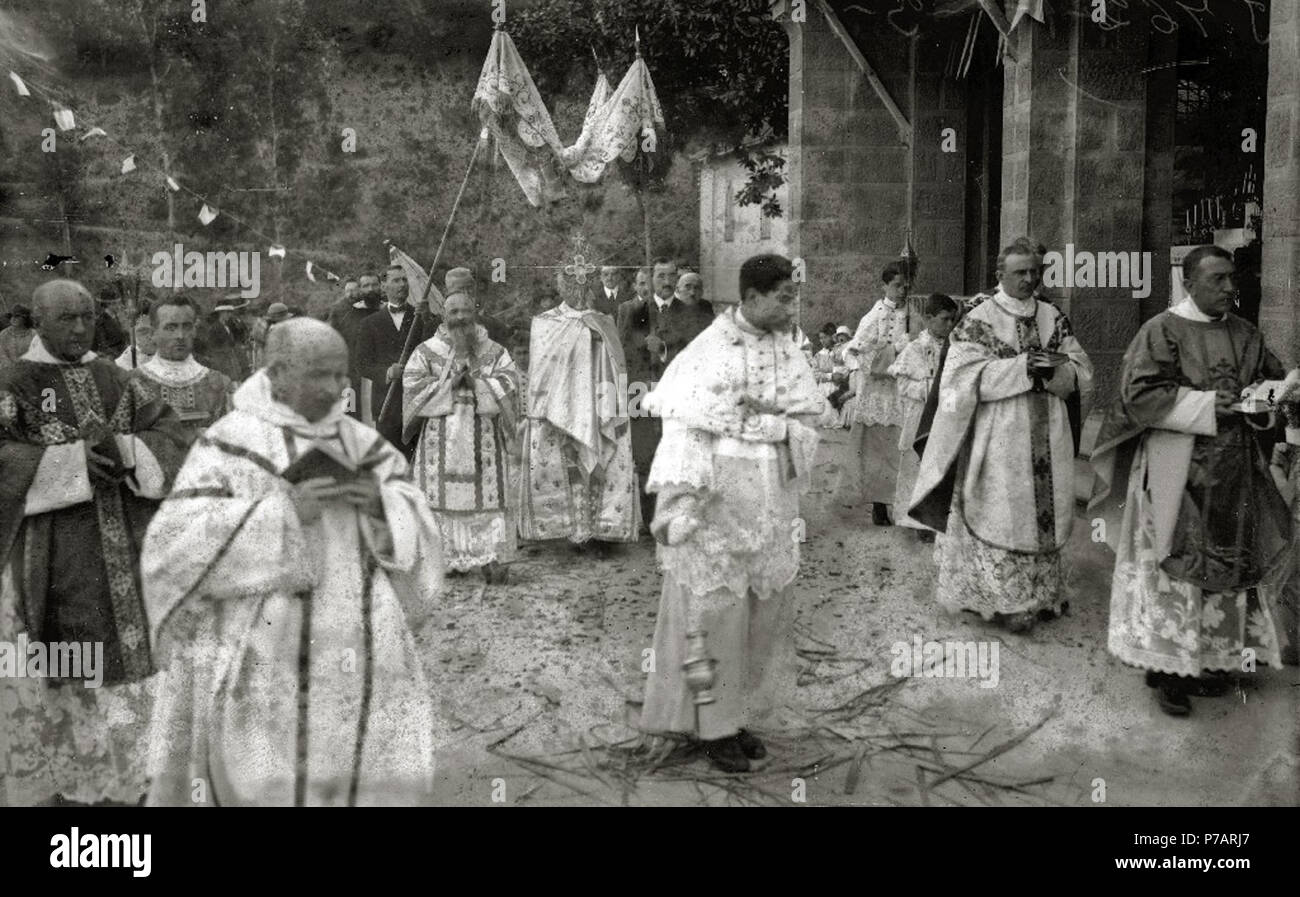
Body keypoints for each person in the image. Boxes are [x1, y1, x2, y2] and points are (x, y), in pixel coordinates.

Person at [142, 318, 441, 805]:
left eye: (342, 375)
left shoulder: (362, 442)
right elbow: (171, 547)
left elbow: (420, 535)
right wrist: (281, 516)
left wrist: (380, 505)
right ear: (277, 373)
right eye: (322, 375)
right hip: (262, 651)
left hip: (362, 648)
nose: (338, 388)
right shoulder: (230, 442)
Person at [0, 279, 189, 805]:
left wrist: (130, 450)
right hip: (46, 554)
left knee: (125, 670)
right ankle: (65, 788)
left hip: (123, 552)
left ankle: (122, 785)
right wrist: (65, 463)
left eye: (87, 316)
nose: (82, 327)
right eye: (67, 319)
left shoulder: (117, 378)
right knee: (59, 669)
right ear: (38, 322)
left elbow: (171, 437)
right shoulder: (11, 383)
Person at [1088, 245, 1294, 715]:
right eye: (1218, 280)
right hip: (1174, 466)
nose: (1229, 288)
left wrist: (1270, 402)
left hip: (1233, 469)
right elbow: (1138, 396)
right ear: (1188, 282)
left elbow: (1269, 385)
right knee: (1172, 564)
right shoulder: (1161, 331)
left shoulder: (1246, 333)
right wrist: (1208, 406)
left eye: (1231, 278)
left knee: (1230, 559)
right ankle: (1166, 669)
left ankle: (1215, 658)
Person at [639, 254, 824, 773]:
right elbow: (684, 426)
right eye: (784, 296)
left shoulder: (790, 353)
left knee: (759, 618)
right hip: (716, 501)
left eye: (794, 296)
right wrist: (679, 503)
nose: (792, 305)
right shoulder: (708, 349)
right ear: (752, 296)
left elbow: (810, 422)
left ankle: (736, 718)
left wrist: (774, 428)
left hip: (770, 501)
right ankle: (708, 726)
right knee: (713, 617)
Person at [910, 238, 1092, 633]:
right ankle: (1004, 601)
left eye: (1035, 272)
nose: (1029, 279)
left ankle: (1041, 595)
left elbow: (1082, 369)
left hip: (1049, 429)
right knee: (1002, 512)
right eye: (1020, 272)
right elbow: (958, 380)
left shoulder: (1053, 317)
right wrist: (1023, 369)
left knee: (1045, 511)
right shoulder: (979, 318)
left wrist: (1060, 372)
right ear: (1000, 275)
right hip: (998, 434)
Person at [403, 287, 522, 583]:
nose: (460, 317)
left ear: (475, 313)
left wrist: (481, 384)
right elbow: (413, 384)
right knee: (439, 501)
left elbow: (510, 380)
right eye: (453, 312)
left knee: (486, 500)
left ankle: (491, 559)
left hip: (484, 438)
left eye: (465, 311)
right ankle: (446, 560)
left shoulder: (494, 351)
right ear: (444, 315)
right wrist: (448, 386)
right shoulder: (427, 351)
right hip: (439, 438)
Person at [518, 261, 640, 549]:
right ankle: (563, 532)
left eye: (582, 283)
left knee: (596, 461)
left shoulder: (603, 320)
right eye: (571, 282)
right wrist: (583, 336)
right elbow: (542, 365)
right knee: (564, 464)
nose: (577, 289)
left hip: (596, 405)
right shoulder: (545, 322)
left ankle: (598, 531)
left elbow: (615, 363)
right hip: (557, 405)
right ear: (562, 284)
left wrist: (595, 337)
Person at [616, 257, 714, 531]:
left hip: (680, 397)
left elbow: (698, 355)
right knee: (645, 456)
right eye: (660, 276)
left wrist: (662, 351)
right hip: (643, 394)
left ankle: (677, 515)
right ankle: (649, 521)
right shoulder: (634, 311)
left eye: (671, 276)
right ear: (651, 279)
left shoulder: (693, 314)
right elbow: (622, 353)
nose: (667, 282)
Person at [844, 262, 913, 525]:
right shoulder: (874, 316)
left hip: (904, 390)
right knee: (878, 449)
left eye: (905, 285)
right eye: (896, 285)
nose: (902, 290)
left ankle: (902, 503)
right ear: (884, 286)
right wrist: (892, 349)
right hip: (879, 394)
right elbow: (857, 351)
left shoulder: (911, 315)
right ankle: (880, 504)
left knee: (902, 446)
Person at [888, 293, 957, 539]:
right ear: (928, 318)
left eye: (953, 321)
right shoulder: (915, 348)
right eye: (945, 319)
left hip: (945, 413)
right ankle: (916, 521)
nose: (950, 326)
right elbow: (902, 384)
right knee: (916, 465)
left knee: (939, 465)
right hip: (919, 414)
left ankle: (936, 518)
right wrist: (928, 389)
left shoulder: (954, 348)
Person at [131, 295, 235, 438]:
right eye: (170, 328)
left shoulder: (218, 383)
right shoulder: (132, 382)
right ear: (153, 333)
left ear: (194, 331)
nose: (180, 335)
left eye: (186, 327)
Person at [355, 266, 421, 424]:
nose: (402, 284)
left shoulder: (421, 317)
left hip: (418, 403)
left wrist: (426, 318)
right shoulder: (369, 323)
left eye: (404, 280)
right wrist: (388, 373)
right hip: (386, 404)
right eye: (396, 280)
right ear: (384, 286)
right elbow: (362, 364)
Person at [334, 273, 384, 418]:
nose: (370, 290)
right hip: (351, 373)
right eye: (366, 286)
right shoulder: (348, 313)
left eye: (374, 285)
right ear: (360, 290)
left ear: (381, 286)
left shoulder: (386, 310)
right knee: (350, 413)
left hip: (378, 373)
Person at [195, 301, 251, 383]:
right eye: (227, 312)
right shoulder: (215, 328)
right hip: (221, 362)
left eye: (230, 312)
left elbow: (231, 343)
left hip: (230, 361)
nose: (229, 315)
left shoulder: (227, 326)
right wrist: (224, 351)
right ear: (221, 313)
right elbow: (211, 347)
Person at [0, 303, 35, 368]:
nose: (13, 318)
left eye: (17, 316)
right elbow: (2, 355)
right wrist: (11, 367)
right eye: (12, 316)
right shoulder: (3, 334)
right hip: (8, 370)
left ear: (25, 319)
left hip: (29, 369)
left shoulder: (33, 334)